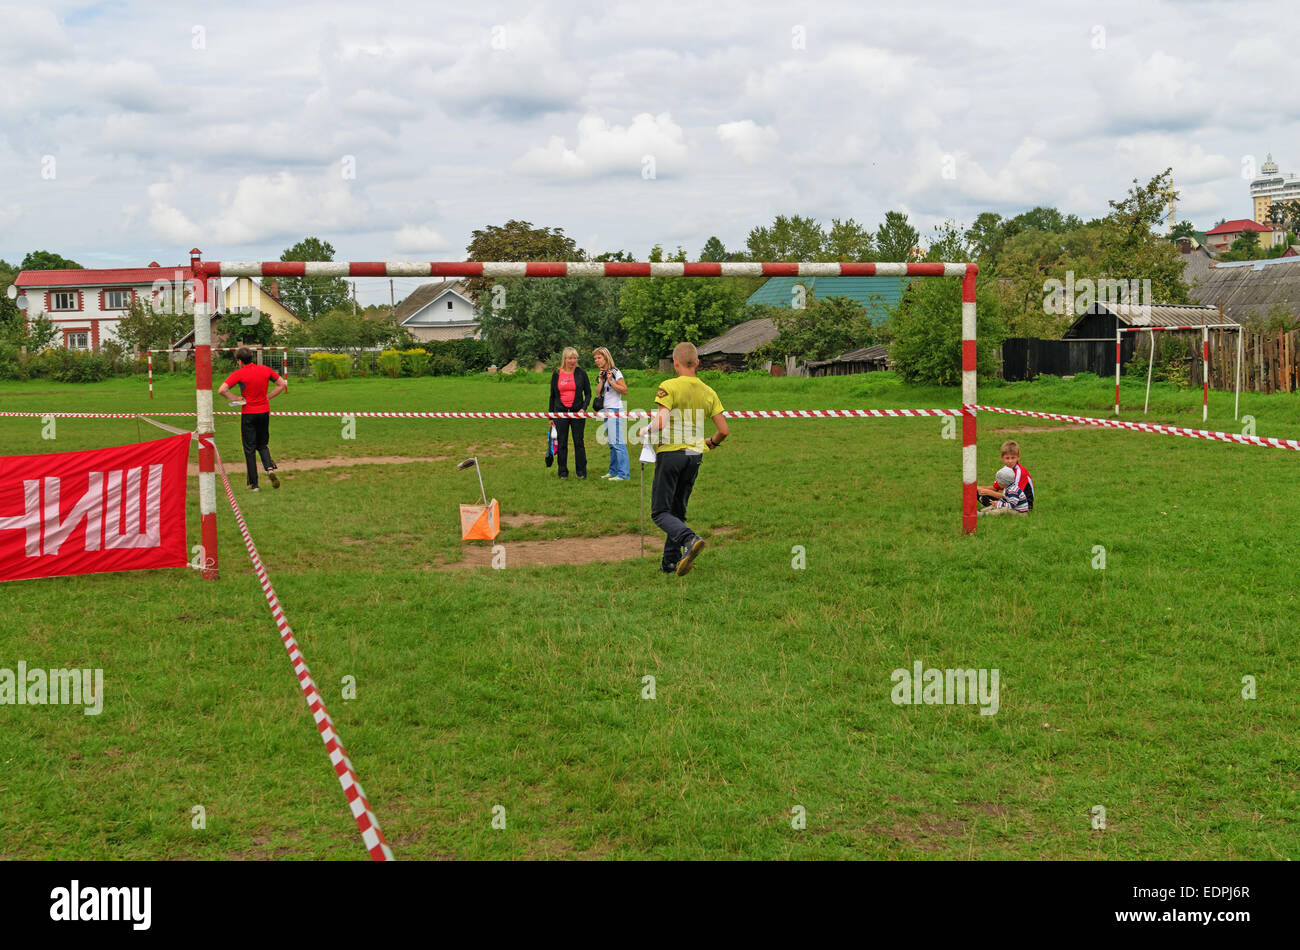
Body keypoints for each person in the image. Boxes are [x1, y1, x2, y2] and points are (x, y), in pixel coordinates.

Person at [639, 341, 729, 576]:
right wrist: (712, 443)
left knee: (659, 511)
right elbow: (724, 430)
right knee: (677, 509)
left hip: (671, 452)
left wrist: (644, 431)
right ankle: (671, 560)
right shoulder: (709, 391)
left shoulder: (668, 386)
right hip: (694, 454)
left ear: (675, 363)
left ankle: (689, 539)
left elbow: (660, 422)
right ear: (697, 363)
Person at [216, 347, 287, 492]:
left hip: (249, 413)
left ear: (240, 361)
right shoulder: (265, 369)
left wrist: (236, 398)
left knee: (249, 449)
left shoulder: (239, 373)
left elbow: (221, 390)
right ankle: (269, 468)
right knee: (262, 444)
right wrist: (268, 397)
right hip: (264, 412)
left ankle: (254, 484)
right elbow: (282, 384)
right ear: (251, 358)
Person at [548, 346, 591, 480]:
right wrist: (551, 416)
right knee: (561, 443)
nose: (573, 361)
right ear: (564, 359)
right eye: (570, 358)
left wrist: (583, 408)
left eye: (575, 358)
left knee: (579, 442)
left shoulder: (581, 373)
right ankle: (562, 472)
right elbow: (552, 396)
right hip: (560, 413)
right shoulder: (557, 374)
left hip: (577, 413)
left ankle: (581, 472)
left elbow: (588, 393)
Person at [592, 346, 630, 481]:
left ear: (606, 357)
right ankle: (613, 471)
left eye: (599, 357)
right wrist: (602, 380)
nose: (596, 360)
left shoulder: (615, 372)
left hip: (615, 410)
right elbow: (597, 393)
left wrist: (610, 381)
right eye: (595, 358)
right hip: (605, 410)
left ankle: (624, 474)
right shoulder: (602, 373)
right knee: (611, 443)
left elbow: (624, 390)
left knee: (618, 443)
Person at [977, 439, 1035, 510]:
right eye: (1007, 458)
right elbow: (995, 488)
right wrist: (976, 488)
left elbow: (1015, 495)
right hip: (1010, 499)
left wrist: (989, 492)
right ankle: (996, 507)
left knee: (988, 494)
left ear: (1018, 457)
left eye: (1013, 458)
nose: (1010, 461)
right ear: (1002, 457)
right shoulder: (1004, 470)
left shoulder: (1020, 472)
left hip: (1023, 504)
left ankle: (995, 508)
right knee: (977, 492)